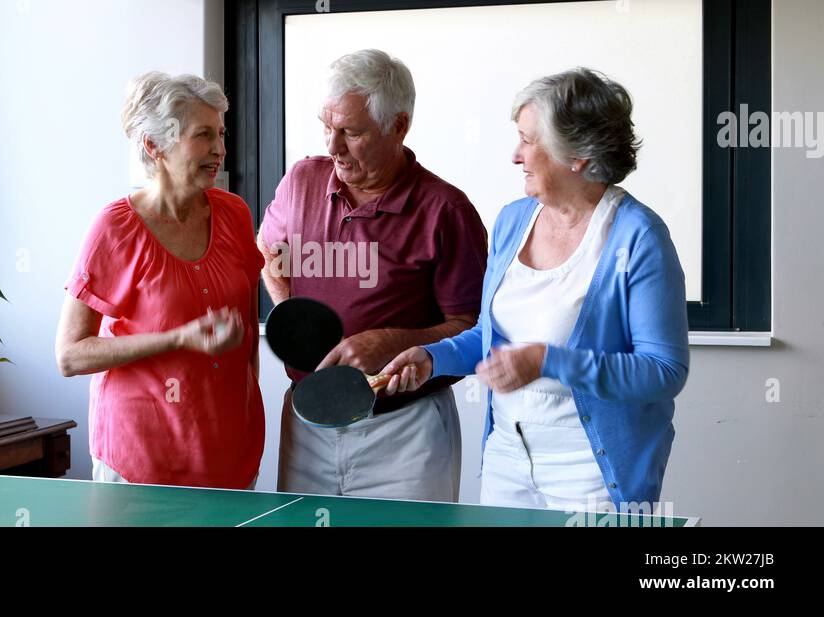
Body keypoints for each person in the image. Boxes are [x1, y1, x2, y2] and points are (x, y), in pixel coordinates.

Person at [383, 68, 689, 512]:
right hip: (507, 454)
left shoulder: (639, 236)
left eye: (529, 140)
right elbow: (492, 337)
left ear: (577, 156)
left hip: (592, 471)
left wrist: (548, 360)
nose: (515, 155)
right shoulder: (512, 221)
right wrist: (435, 358)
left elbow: (664, 371)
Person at [258, 49, 488, 502]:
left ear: (398, 127)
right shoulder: (302, 179)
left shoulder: (446, 211)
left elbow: (474, 329)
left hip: (405, 431)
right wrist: (290, 311)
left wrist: (390, 343)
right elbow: (267, 248)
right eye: (326, 126)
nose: (332, 145)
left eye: (351, 132)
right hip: (308, 421)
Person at [55, 72, 265, 489]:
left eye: (221, 134)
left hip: (230, 456)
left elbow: (246, 340)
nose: (220, 150)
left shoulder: (235, 213)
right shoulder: (115, 228)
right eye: (204, 135)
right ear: (155, 146)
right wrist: (175, 338)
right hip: (140, 461)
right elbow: (70, 355)